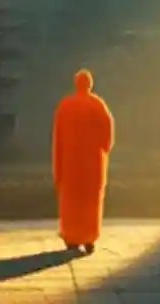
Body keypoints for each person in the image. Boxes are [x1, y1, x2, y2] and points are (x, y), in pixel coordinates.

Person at [52, 68, 114, 254]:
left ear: (76, 83)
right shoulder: (98, 105)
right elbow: (108, 134)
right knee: (91, 201)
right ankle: (89, 238)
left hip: (70, 163)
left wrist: (59, 164)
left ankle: (71, 237)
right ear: (90, 84)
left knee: (71, 200)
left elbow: (58, 138)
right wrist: (102, 151)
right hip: (92, 165)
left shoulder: (65, 106)